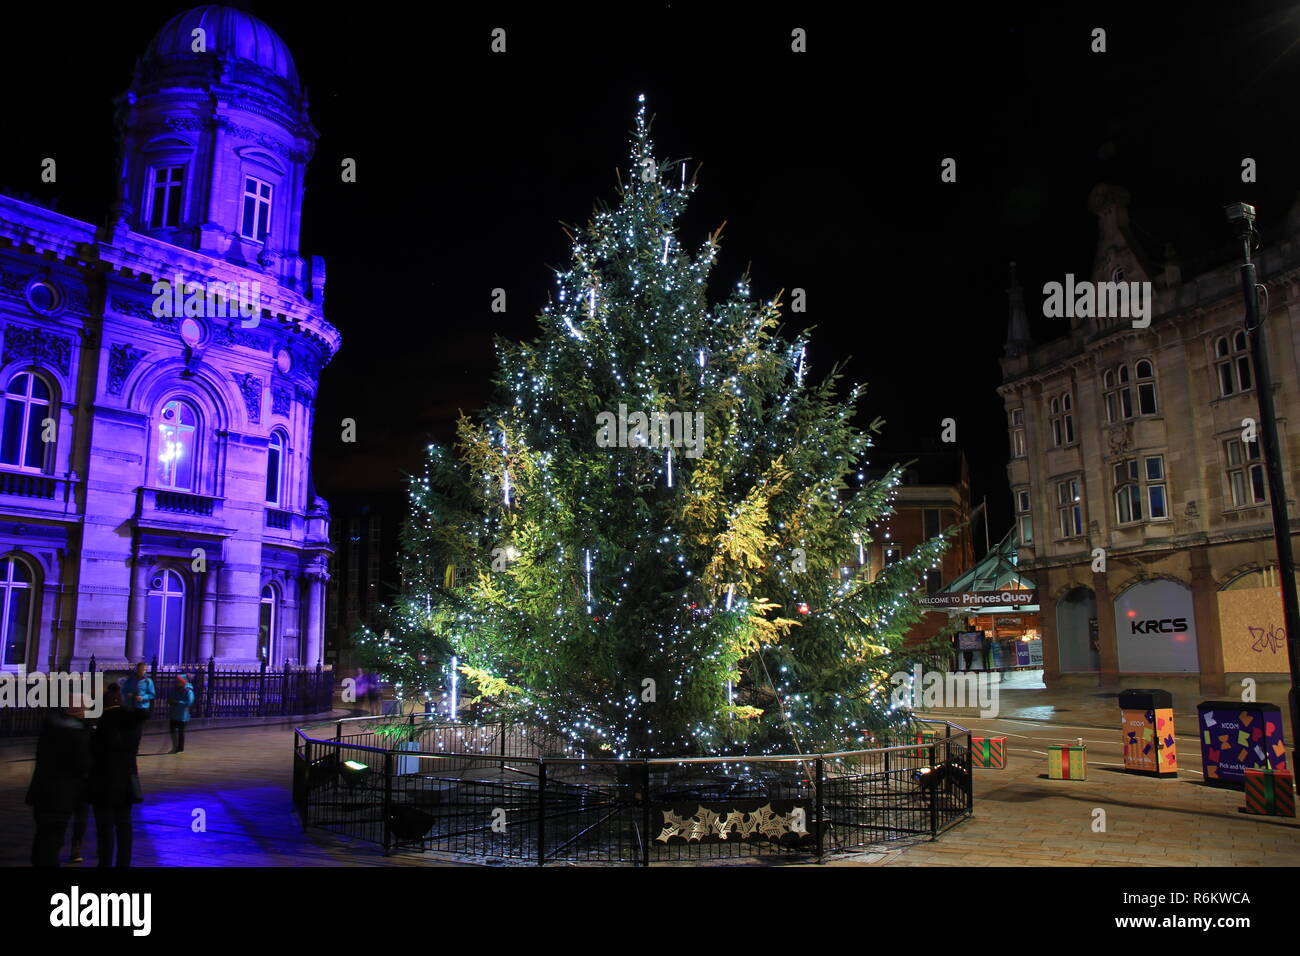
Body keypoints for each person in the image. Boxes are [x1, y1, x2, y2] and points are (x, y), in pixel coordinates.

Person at [25, 704, 92, 867]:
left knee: (43, 836)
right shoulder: (78, 735)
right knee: (54, 838)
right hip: (62, 796)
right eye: (84, 709)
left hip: (42, 792)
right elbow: (82, 765)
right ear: (77, 711)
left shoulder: (49, 729)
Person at [88, 684, 147, 867]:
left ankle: (105, 862)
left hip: (104, 781)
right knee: (124, 825)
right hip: (127, 779)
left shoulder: (104, 724)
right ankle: (124, 862)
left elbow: (97, 752)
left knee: (105, 827)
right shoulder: (133, 724)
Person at [169, 674, 195, 754]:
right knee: (172, 731)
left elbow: (189, 702)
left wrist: (178, 702)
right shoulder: (175, 690)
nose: (176, 683)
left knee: (181, 732)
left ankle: (180, 748)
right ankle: (175, 746)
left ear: (183, 682)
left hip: (183, 715)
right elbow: (171, 697)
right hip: (174, 714)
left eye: (178, 681)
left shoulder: (188, 691)